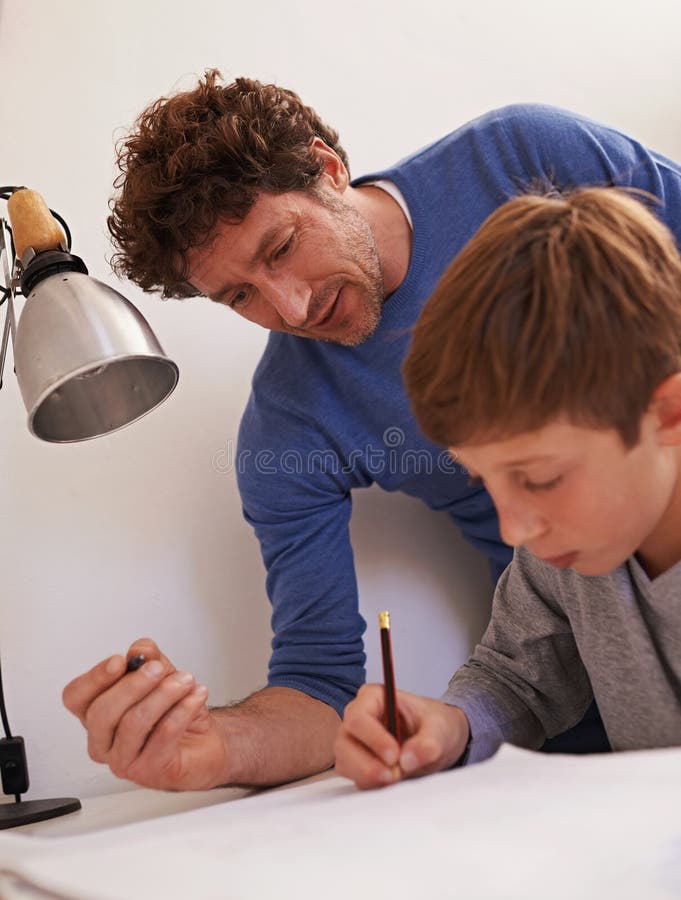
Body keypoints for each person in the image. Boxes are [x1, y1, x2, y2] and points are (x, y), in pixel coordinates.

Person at [62, 71, 681, 791]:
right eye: (238, 296)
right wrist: (212, 747)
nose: (289, 309)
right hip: (563, 734)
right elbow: (325, 682)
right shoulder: (288, 429)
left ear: (328, 169)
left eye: (282, 247)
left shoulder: (525, 156)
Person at [334, 186, 681, 789]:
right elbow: (517, 678)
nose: (513, 527)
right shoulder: (567, 552)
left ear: (669, 413)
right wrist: (451, 726)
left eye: (540, 479)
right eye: (482, 478)